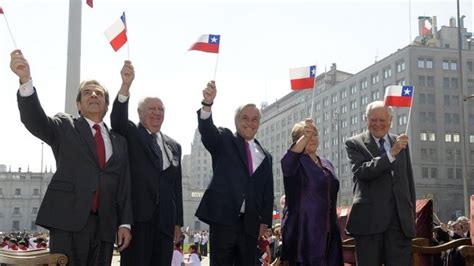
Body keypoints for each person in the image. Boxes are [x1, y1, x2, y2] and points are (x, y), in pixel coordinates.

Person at [10, 49, 133, 265]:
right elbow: (36, 121)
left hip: (105, 226)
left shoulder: (119, 142)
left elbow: (123, 186)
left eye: (99, 94)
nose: (93, 95)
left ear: (106, 105)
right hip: (68, 221)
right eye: (87, 92)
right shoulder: (65, 126)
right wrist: (25, 80)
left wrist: (125, 224)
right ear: (78, 104)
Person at [110, 60, 183, 266]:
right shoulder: (132, 134)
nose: (157, 112)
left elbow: (176, 186)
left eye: (161, 109)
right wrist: (125, 87)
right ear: (140, 113)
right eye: (151, 108)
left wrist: (178, 222)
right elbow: (117, 120)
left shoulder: (174, 145)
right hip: (138, 221)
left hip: (165, 224)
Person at [195, 80, 274, 265]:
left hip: (250, 225)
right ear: (236, 121)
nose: (250, 123)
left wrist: (265, 222)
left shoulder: (265, 156)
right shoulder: (225, 139)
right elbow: (207, 131)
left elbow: (267, 193)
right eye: (245, 118)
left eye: (255, 119)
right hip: (223, 220)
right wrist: (207, 104)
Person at [345, 100, 415, 266]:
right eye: (373, 120)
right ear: (365, 119)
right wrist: (391, 154)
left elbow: (408, 181)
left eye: (382, 120)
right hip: (369, 223)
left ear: (390, 121)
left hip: (399, 224)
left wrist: (410, 217)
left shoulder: (400, 142)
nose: (378, 124)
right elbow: (362, 172)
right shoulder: (354, 143)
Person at [280, 118, 343, 265]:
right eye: (306, 135)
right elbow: (287, 162)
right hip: (305, 231)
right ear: (297, 141)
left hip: (330, 230)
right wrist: (305, 138)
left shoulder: (327, 163)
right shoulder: (295, 163)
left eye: (314, 134)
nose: (311, 138)